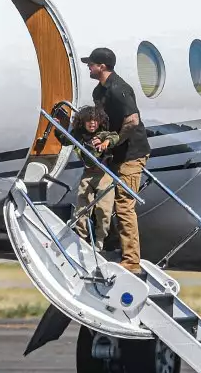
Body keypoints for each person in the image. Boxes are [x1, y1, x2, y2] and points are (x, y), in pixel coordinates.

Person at [81, 47, 151, 275]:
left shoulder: (119, 89)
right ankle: (100, 243)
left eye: (91, 64)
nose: (88, 67)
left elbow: (132, 120)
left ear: (102, 66)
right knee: (97, 195)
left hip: (131, 154)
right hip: (114, 154)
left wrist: (113, 141)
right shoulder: (98, 92)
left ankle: (131, 261)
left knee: (124, 205)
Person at [57, 105, 120, 253]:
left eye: (95, 121)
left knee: (104, 210)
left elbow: (114, 136)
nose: (92, 124)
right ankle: (81, 236)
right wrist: (60, 126)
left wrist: (106, 143)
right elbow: (65, 141)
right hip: (88, 174)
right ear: (83, 122)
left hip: (104, 174)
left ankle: (100, 239)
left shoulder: (103, 133)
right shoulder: (79, 135)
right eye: (89, 121)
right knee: (82, 208)